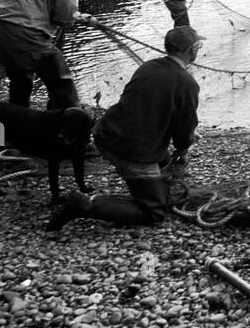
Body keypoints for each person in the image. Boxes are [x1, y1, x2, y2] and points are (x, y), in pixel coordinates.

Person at [47, 25, 204, 230]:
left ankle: (146, 183)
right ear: (191, 50)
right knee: (153, 211)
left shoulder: (148, 66)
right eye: (198, 45)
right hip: (132, 150)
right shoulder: (187, 83)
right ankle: (85, 204)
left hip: (106, 135)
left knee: (162, 162)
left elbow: (148, 107)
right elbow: (184, 131)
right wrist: (184, 149)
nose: (198, 49)